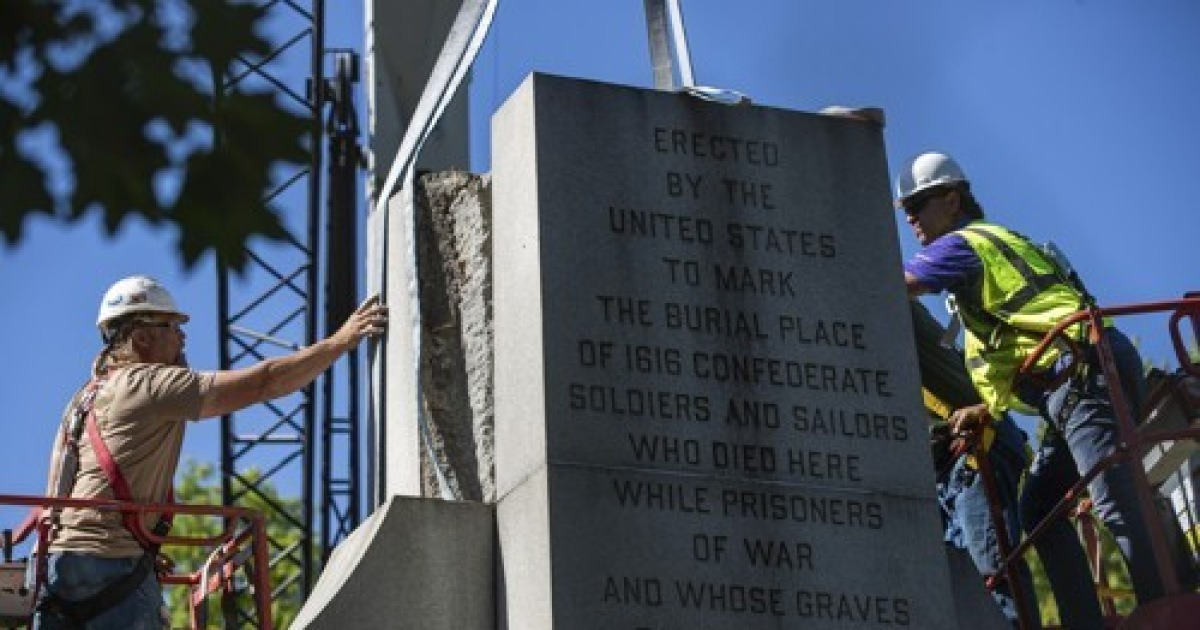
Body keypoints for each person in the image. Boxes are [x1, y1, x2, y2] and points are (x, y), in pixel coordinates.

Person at [896, 152, 1164, 629]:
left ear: (952, 199)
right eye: (907, 209)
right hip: (1089, 366)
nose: (911, 217)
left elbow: (896, 285)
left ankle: (1164, 601)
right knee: (1039, 503)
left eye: (918, 204)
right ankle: (1089, 620)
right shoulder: (989, 256)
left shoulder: (959, 245)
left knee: (1111, 493)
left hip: (1078, 372)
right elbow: (1007, 351)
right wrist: (985, 405)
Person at [33, 275, 387, 629]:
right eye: (172, 326)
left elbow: (61, 492)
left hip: (60, 569)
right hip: (113, 564)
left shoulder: (83, 399)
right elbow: (262, 382)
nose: (182, 337)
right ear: (141, 336)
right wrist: (342, 340)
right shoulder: (148, 384)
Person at [911, 301, 1039, 628]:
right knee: (963, 587)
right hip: (949, 468)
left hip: (977, 447)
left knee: (992, 574)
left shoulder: (889, 308)